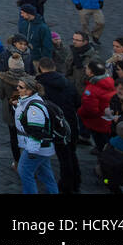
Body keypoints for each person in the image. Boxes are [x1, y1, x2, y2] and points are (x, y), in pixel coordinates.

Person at [36, 56, 82, 193]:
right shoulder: (67, 82)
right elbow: (78, 103)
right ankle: (76, 182)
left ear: (40, 68)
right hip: (70, 122)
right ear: (54, 67)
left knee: (63, 156)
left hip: (54, 125)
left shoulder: (39, 85)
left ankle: (66, 185)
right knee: (71, 154)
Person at [13, 75, 59, 194]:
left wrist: (31, 152)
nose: (17, 88)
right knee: (46, 175)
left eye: (21, 87)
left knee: (24, 171)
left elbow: (36, 131)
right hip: (42, 148)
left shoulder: (34, 108)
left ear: (29, 90)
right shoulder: (29, 101)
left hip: (37, 148)